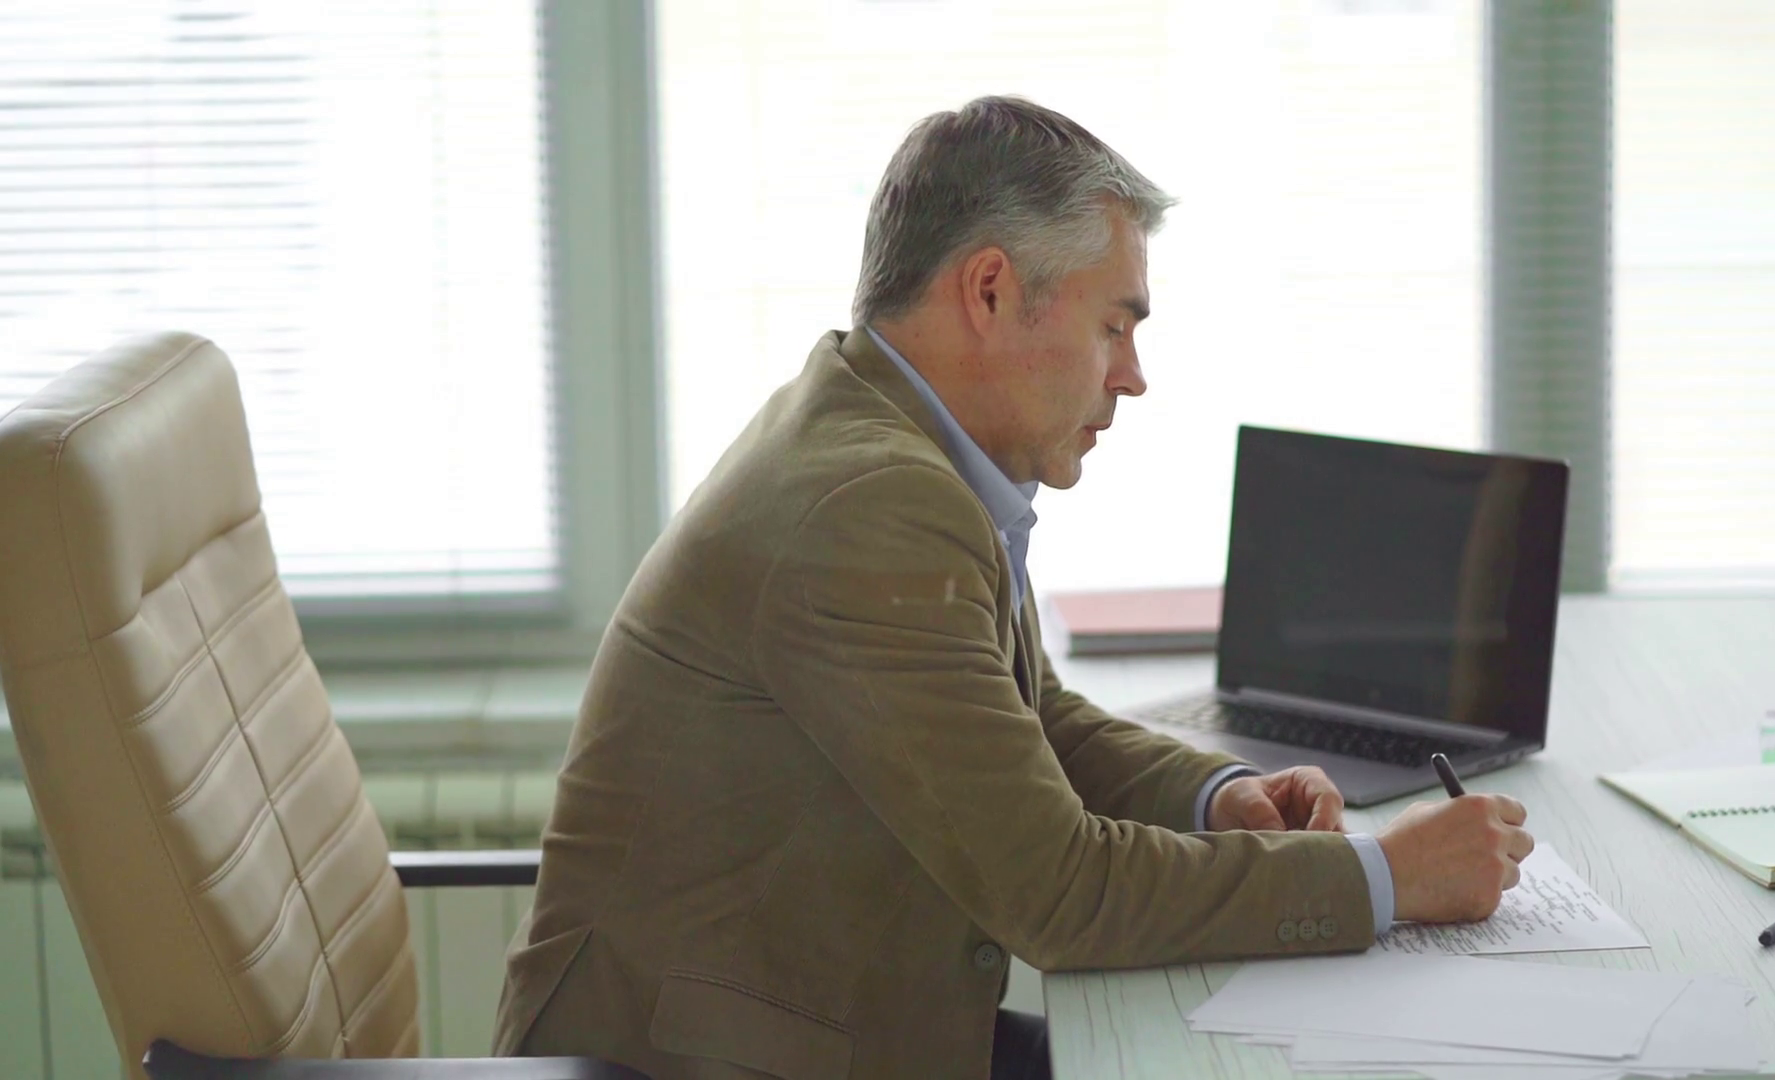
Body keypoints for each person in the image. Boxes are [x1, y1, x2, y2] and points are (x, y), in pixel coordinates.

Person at [494, 95, 1535, 1080]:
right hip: (696, 1059)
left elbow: (1033, 717)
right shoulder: (870, 503)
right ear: (989, 291)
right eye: (1114, 326)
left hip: (821, 1017)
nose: (1131, 375)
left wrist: (1218, 798)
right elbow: (1062, 893)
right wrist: (1391, 879)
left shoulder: (880, 431)